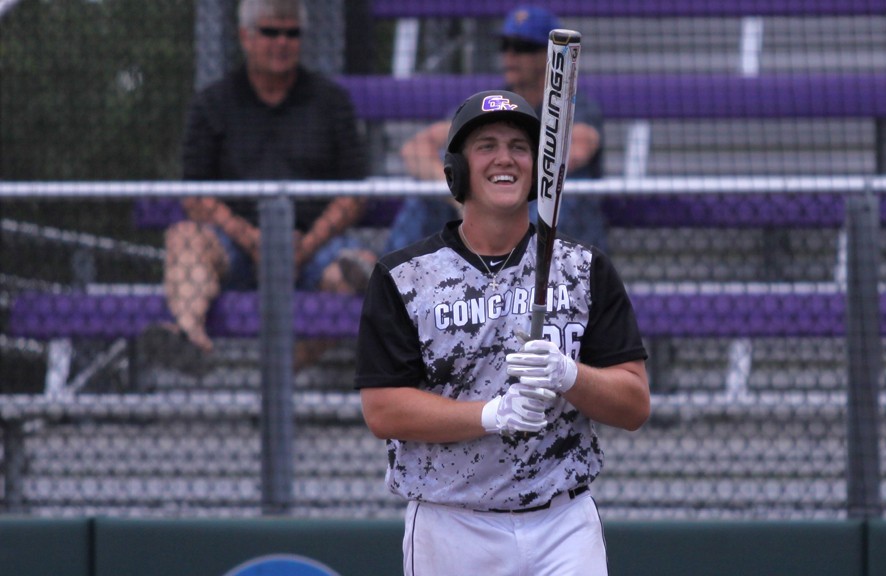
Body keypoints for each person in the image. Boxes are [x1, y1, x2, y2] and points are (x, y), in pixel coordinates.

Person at [355, 90, 649, 576]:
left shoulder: (583, 269)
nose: (505, 158)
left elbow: (635, 405)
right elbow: (383, 409)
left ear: (539, 168)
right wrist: (491, 414)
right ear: (457, 169)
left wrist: (570, 375)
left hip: (562, 522)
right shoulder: (404, 276)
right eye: (486, 145)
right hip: (451, 524)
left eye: (519, 146)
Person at [154, 0, 373, 368]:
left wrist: (305, 245)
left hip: (315, 247)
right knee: (183, 236)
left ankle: (279, 373)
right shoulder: (212, 103)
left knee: (360, 269)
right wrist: (253, 239)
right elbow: (195, 196)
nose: (282, 42)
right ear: (245, 37)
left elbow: (354, 195)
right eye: (270, 31)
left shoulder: (331, 102)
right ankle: (187, 333)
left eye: (292, 33)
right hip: (235, 249)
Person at [385, 4, 607, 254]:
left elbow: (573, 151)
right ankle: (395, 280)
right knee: (427, 191)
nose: (510, 56)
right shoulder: (493, 103)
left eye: (522, 48)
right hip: (487, 213)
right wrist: (460, 195)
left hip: (561, 236)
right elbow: (414, 148)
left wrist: (498, 182)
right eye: (505, 46)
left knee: (552, 193)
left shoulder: (572, 105)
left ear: (549, 55)